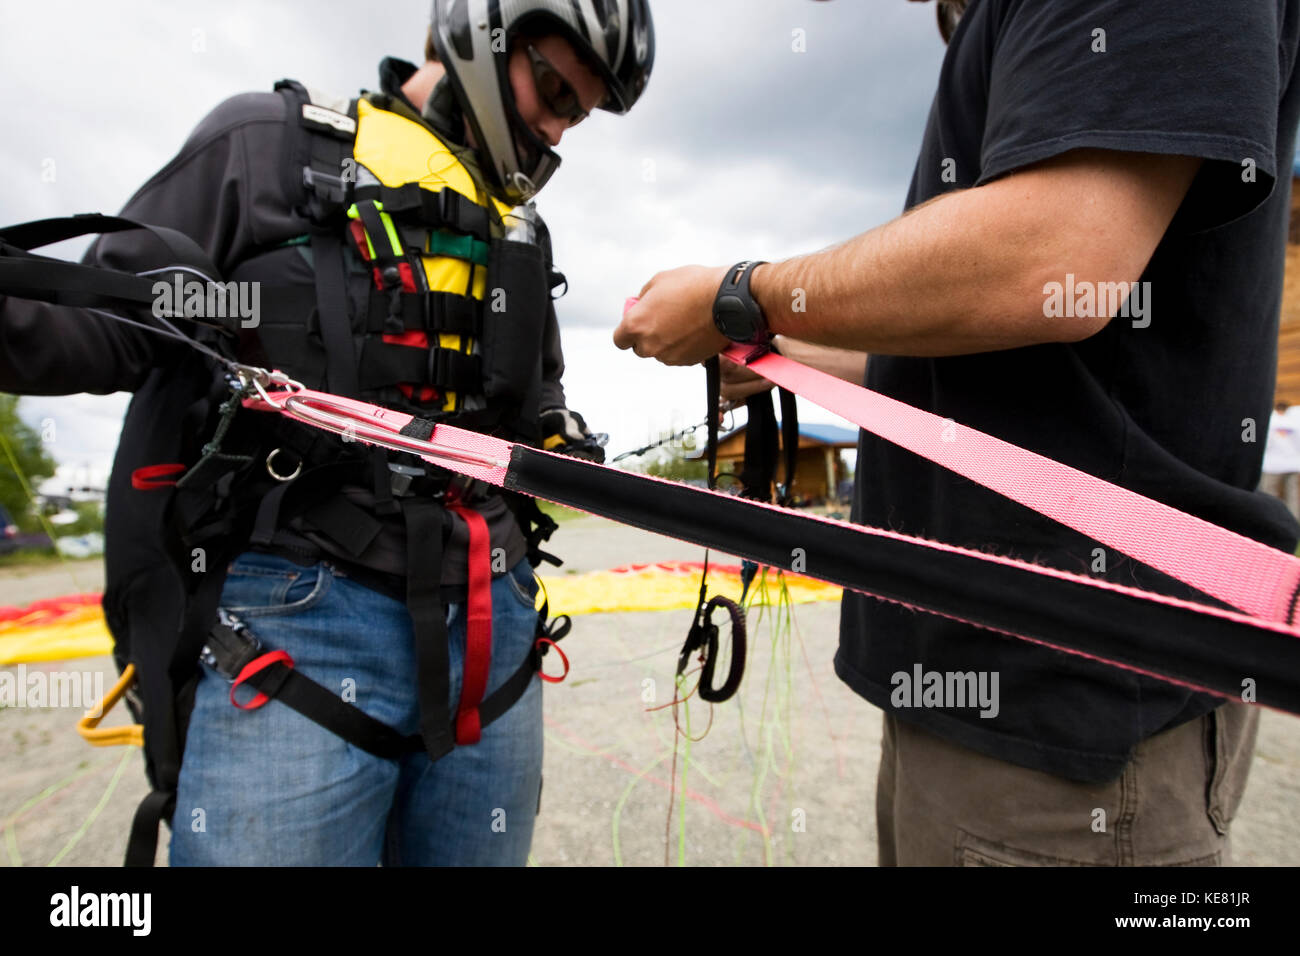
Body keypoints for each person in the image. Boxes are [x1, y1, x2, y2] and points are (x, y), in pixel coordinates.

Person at [614, 0, 1299, 865]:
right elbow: (987, 360)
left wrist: (738, 296)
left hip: (1071, 722)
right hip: (977, 698)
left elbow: (1058, 255)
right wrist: (787, 356)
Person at [0, 0, 654, 866]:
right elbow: (101, 325)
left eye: (577, 112)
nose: (555, 126)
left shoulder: (517, 229)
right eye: (550, 86)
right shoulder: (263, 145)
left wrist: (569, 441)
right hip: (297, 625)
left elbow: (535, 403)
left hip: (494, 635)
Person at [1261, 401, 1300, 518]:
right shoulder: (1295, 421)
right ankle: (1294, 522)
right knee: (1293, 497)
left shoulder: (1270, 420)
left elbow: (1264, 443)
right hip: (1294, 464)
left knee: (1270, 495)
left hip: (1273, 465)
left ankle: (1272, 519)